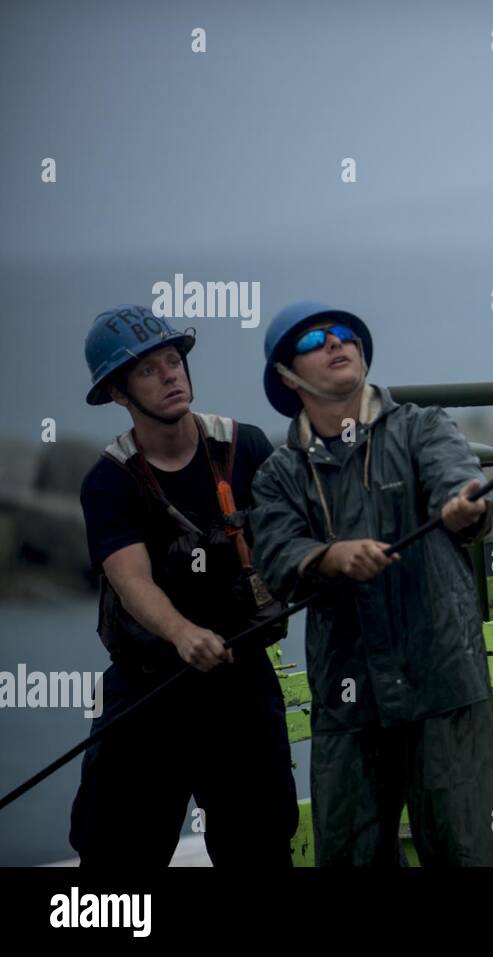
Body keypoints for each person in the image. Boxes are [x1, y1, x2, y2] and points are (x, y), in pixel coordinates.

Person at [250, 301, 493, 867]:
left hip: (443, 684)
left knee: (470, 852)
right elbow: (274, 553)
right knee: (348, 856)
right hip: (349, 698)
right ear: (286, 377)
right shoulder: (278, 475)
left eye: (345, 335)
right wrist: (330, 556)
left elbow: (461, 483)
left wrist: (467, 506)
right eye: (316, 340)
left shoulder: (423, 426)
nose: (337, 344)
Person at [70, 305, 299, 866]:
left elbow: (285, 539)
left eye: (174, 361)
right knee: (117, 855)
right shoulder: (109, 480)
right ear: (118, 394)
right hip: (149, 689)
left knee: (260, 845)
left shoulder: (245, 447)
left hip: (239, 680)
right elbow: (131, 581)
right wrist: (182, 633)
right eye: (148, 370)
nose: (170, 375)